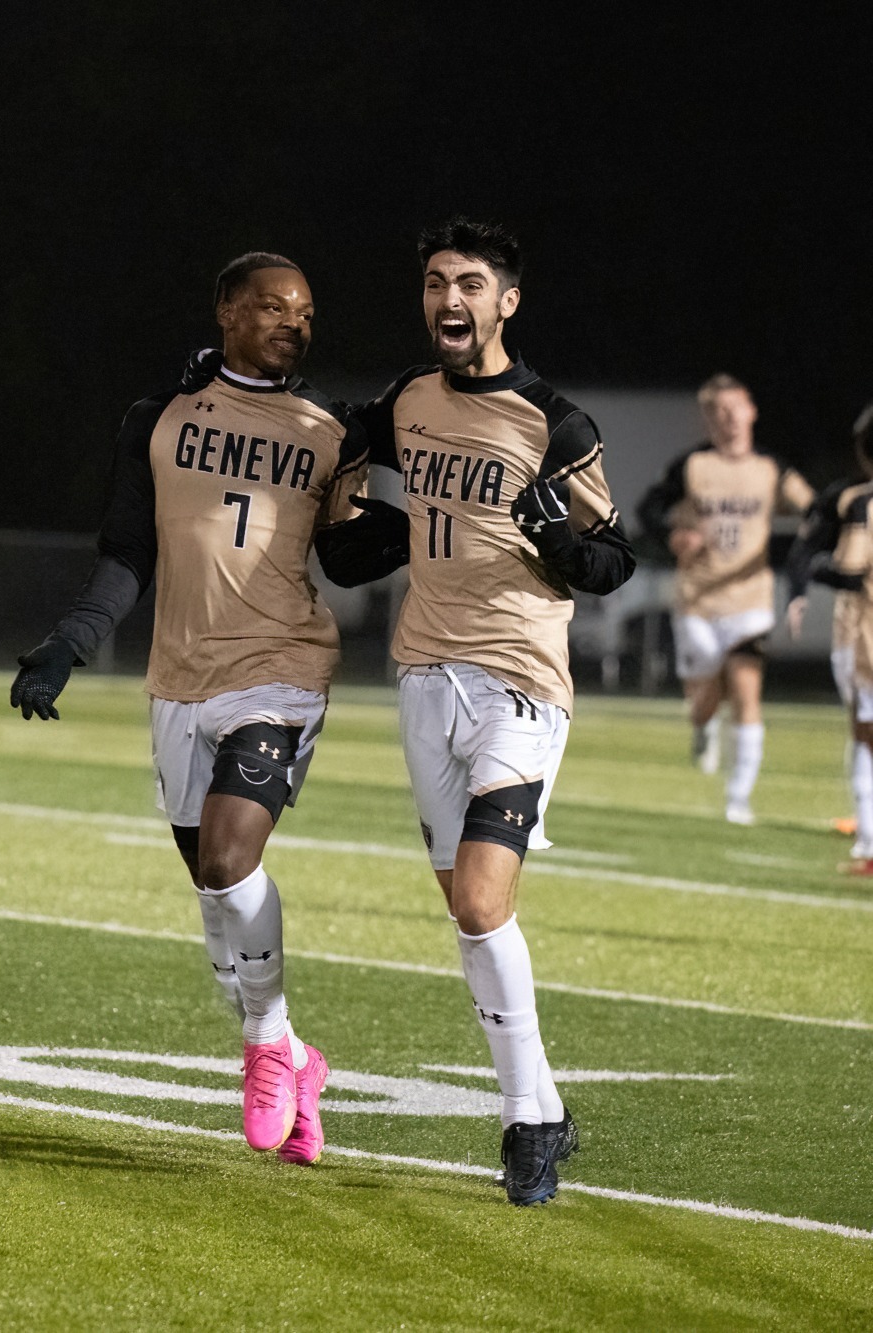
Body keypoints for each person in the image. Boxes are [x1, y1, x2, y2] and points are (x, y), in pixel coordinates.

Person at [10, 253, 389, 1166]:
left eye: (304, 311)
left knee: (228, 855)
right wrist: (70, 641)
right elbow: (126, 553)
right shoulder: (160, 419)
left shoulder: (332, 430)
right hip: (181, 678)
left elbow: (344, 558)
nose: (292, 321)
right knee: (216, 897)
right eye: (270, 305)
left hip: (283, 670)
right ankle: (299, 1058)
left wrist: (418, 521)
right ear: (225, 310)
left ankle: (265, 1047)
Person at [333, 218, 636, 1205]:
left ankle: (520, 1124)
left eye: (467, 282)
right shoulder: (405, 400)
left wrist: (555, 541)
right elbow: (330, 441)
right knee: (471, 921)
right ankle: (541, 1108)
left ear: (506, 300)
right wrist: (349, 518)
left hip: (519, 683)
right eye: (431, 282)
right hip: (421, 678)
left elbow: (610, 561)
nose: (446, 299)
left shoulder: (555, 422)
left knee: (476, 900)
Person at [637, 376, 813, 823]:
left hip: (751, 600)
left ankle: (738, 799)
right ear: (708, 418)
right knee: (706, 693)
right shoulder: (692, 466)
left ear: (752, 411)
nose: (731, 418)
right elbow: (647, 510)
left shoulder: (771, 467)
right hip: (697, 600)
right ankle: (701, 724)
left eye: (738, 408)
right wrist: (673, 535)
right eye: (720, 411)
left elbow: (813, 509)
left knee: (746, 691)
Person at [784, 405, 873, 863]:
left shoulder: (855, 501)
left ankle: (868, 840)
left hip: (862, 636)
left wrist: (811, 577)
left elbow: (848, 572)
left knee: (864, 734)